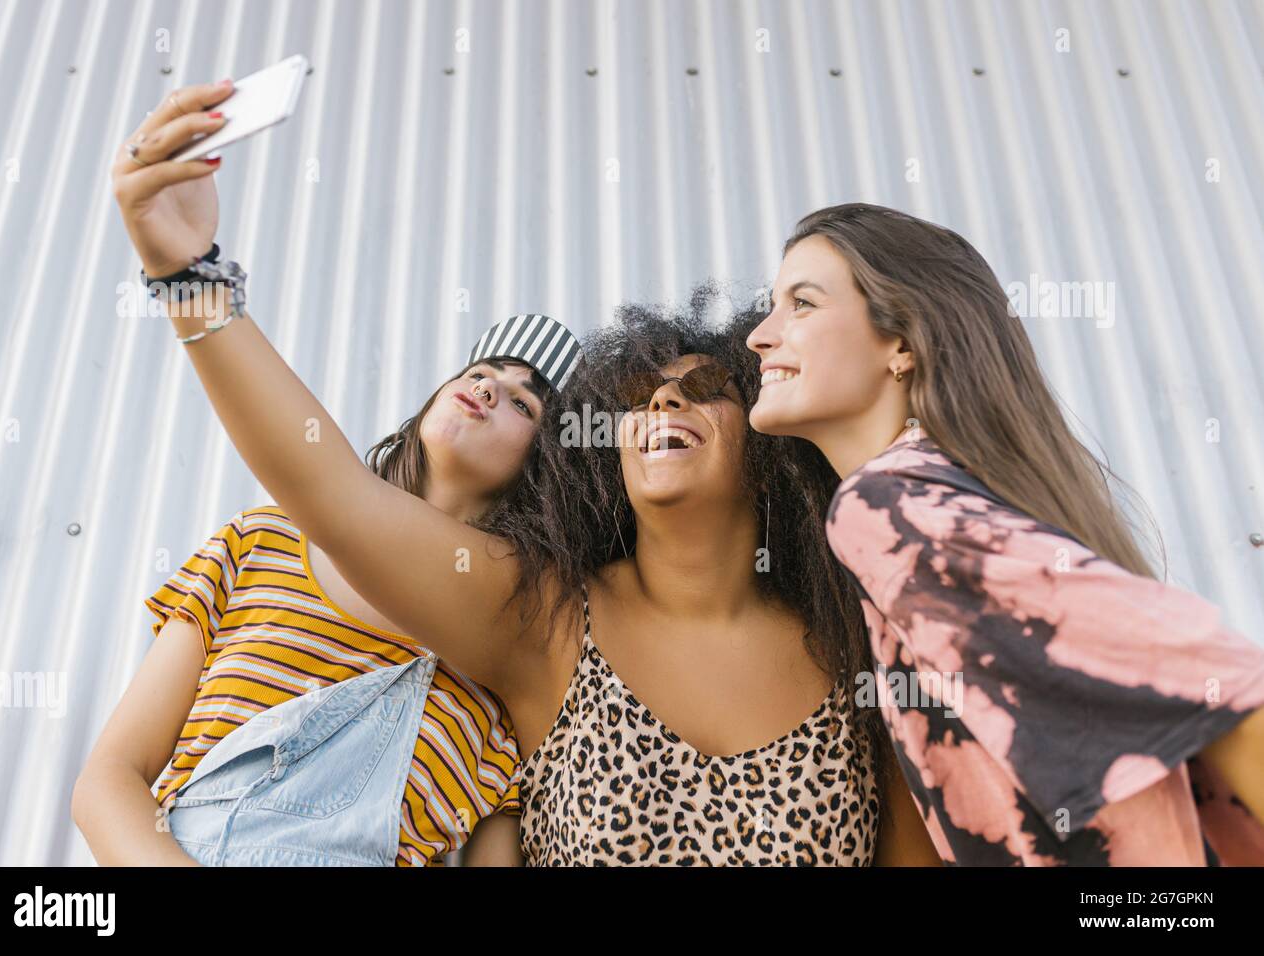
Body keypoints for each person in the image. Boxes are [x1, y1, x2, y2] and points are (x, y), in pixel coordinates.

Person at [104, 81, 940, 864]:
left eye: (706, 390)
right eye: (638, 399)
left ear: (763, 445)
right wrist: (193, 278)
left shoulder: (851, 645)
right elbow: (336, 499)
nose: (664, 408)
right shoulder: (546, 617)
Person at [745, 201, 1264, 865]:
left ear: (901, 344)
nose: (761, 335)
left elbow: (1218, 679)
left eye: (803, 304)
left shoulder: (886, 509)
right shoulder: (952, 497)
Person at [74, 309, 581, 866]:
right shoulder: (259, 542)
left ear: (545, 468)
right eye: (482, 371)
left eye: (522, 402)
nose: (488, 388)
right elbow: (109, 781)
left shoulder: (512, 666)